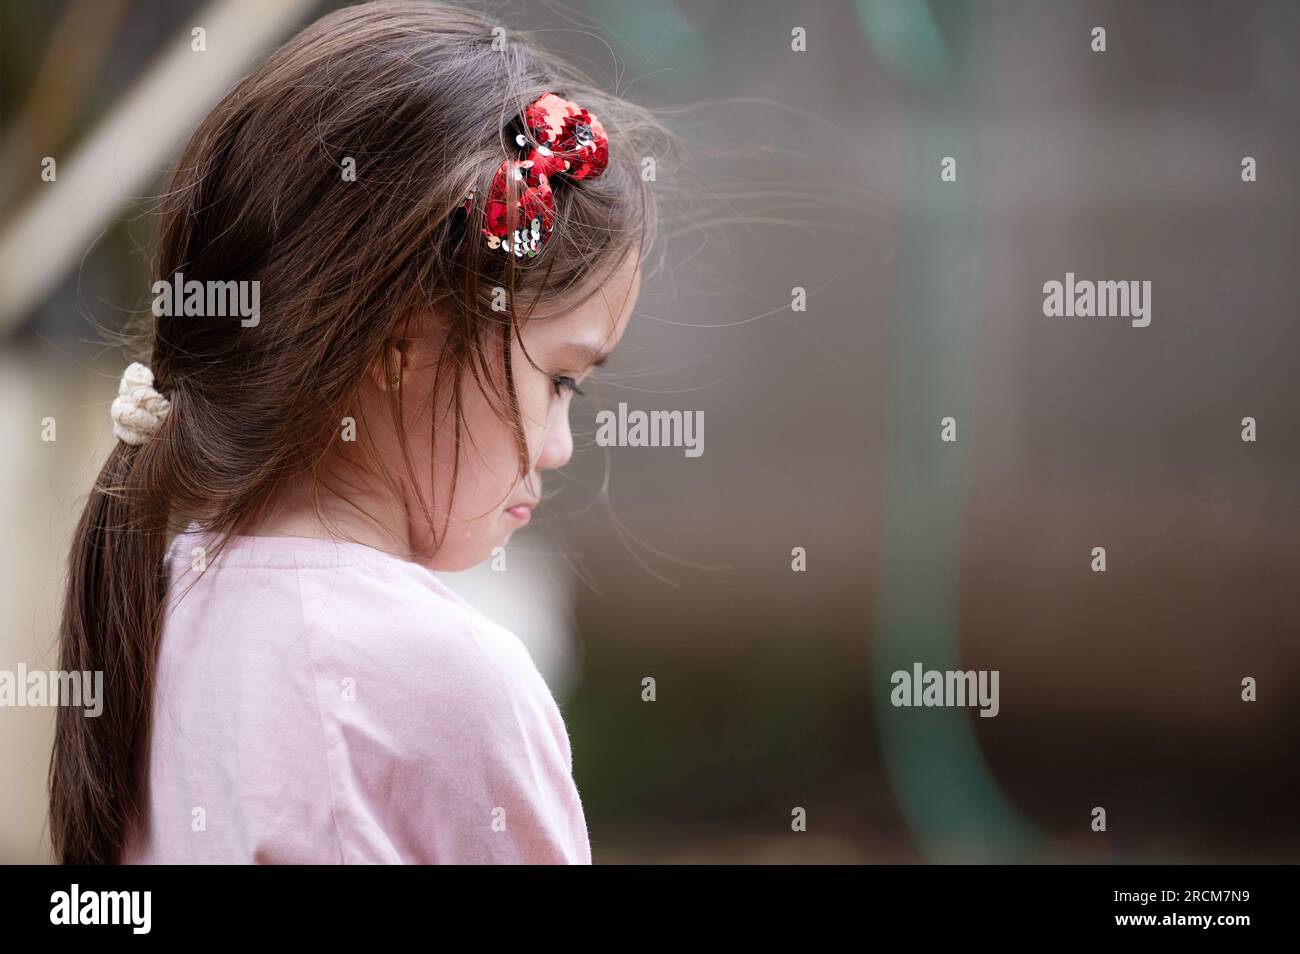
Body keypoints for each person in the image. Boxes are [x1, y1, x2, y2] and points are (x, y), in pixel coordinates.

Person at [48, 0, 665, 864]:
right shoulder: (447, 678)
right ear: (400, 347)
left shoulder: (161, 601)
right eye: (559, 379)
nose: (559, 446)